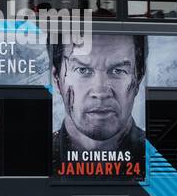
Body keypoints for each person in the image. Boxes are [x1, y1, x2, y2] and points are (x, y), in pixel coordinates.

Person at [50, 34, 146, 168]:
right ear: (56, 79)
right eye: (82, 70)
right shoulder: (33, 159)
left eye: (118, 71)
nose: (100, 93)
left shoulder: (159, 159)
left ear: (139, 79)